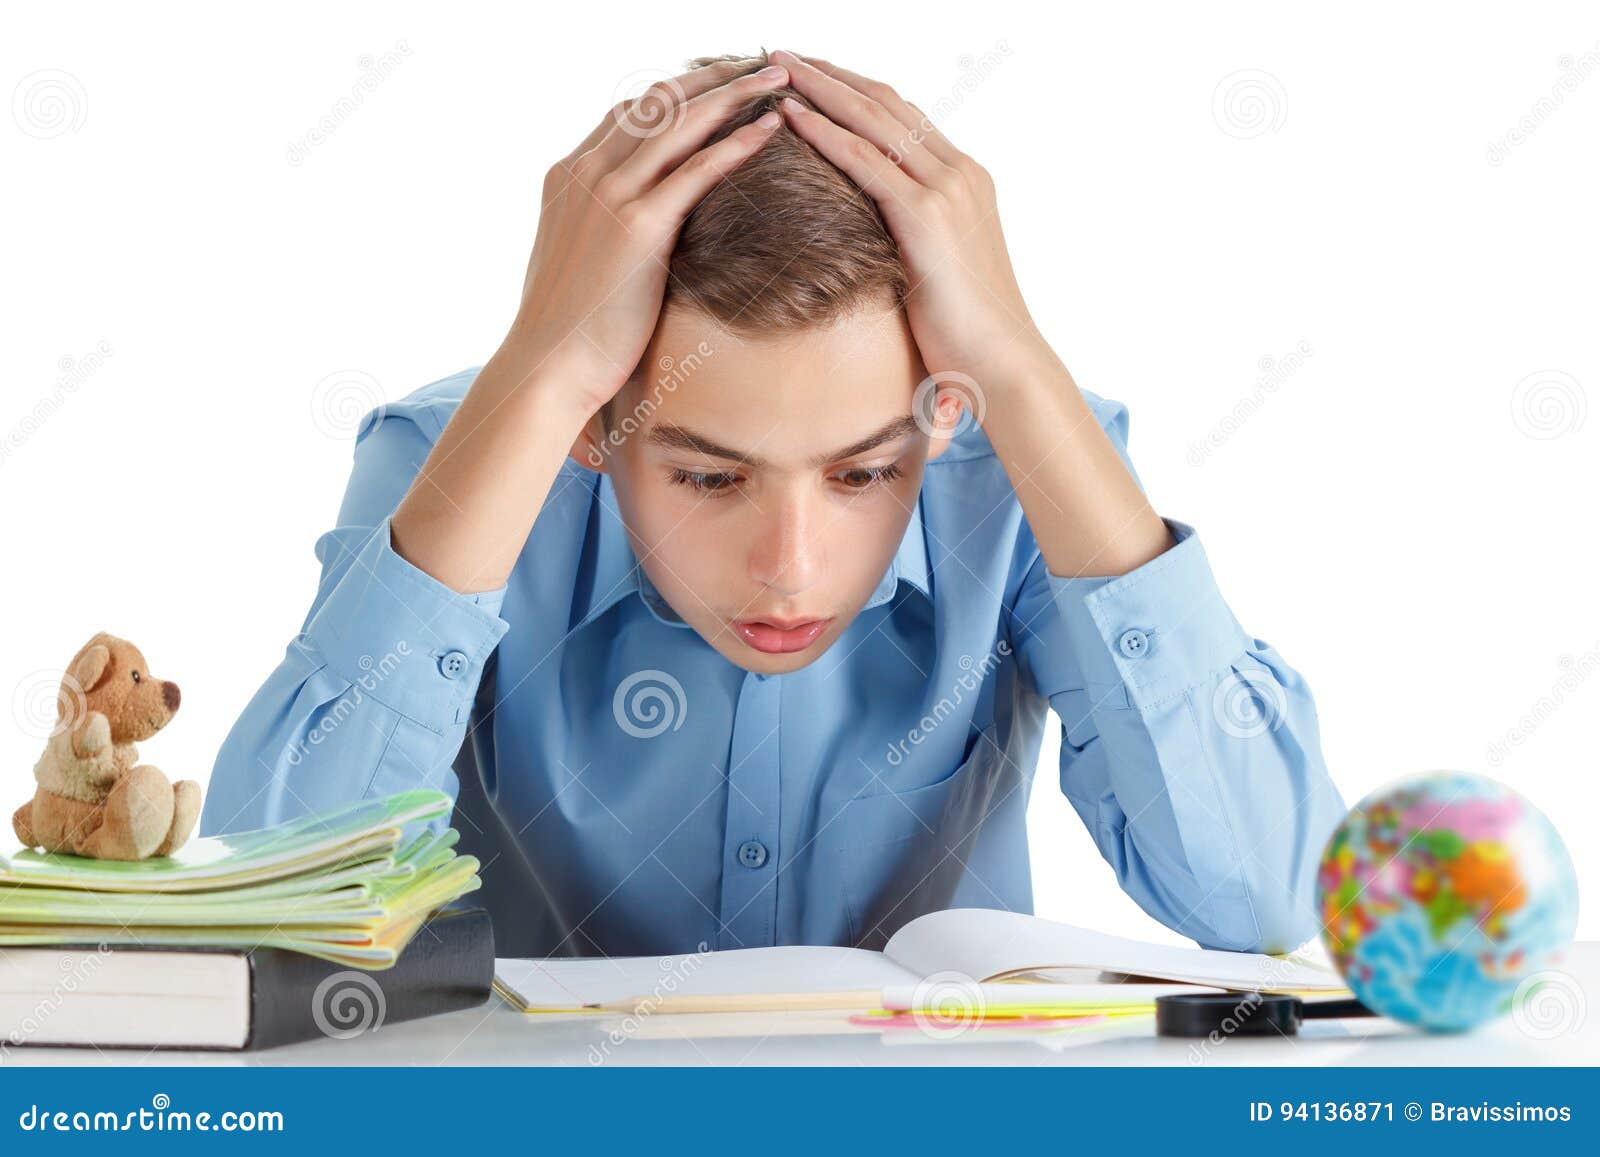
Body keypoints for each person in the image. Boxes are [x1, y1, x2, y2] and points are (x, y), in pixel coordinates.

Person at [201, 50, 1345, 957]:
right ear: (604, 421)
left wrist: (1021, 371)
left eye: (862, 472)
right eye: (707, 475)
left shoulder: (1015, 458)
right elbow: (283, 908)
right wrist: (541, 375)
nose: (790, 567)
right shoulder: (465, 455)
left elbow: (1272, 896)